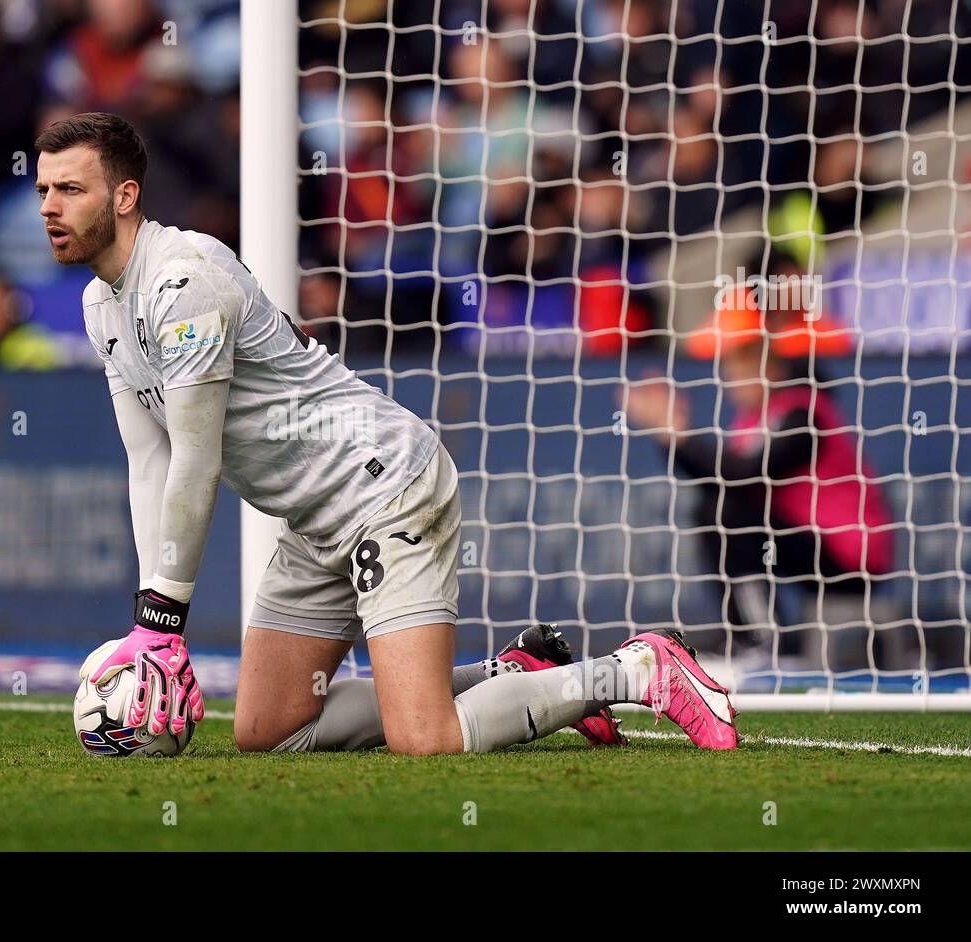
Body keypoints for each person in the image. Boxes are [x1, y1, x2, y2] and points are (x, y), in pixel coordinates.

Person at [36, 112, 739, 755]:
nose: (49, 207)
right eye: (42, 190)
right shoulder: (103, 305)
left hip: (383, 484)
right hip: (315, 519)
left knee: (424, 737)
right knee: (269, 729)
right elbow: (148, 457)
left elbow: (196, 456)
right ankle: (514, 671)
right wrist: (146, 619)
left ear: (125, 197)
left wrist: (165, 618)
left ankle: (635, 670)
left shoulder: (181, 283)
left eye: (70, 189)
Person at [621, 274, 894, 641]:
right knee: (716, 509)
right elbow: (724, 478)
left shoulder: (804, 413)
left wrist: (676, 434)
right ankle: (751, 638)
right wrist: (672, 435)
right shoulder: (755, 417)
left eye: (736, 361)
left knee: (726, 513)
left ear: (764, 357)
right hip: (805, 548)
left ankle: (765, 643)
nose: (728, 375)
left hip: (849, 562)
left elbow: (744, 475)